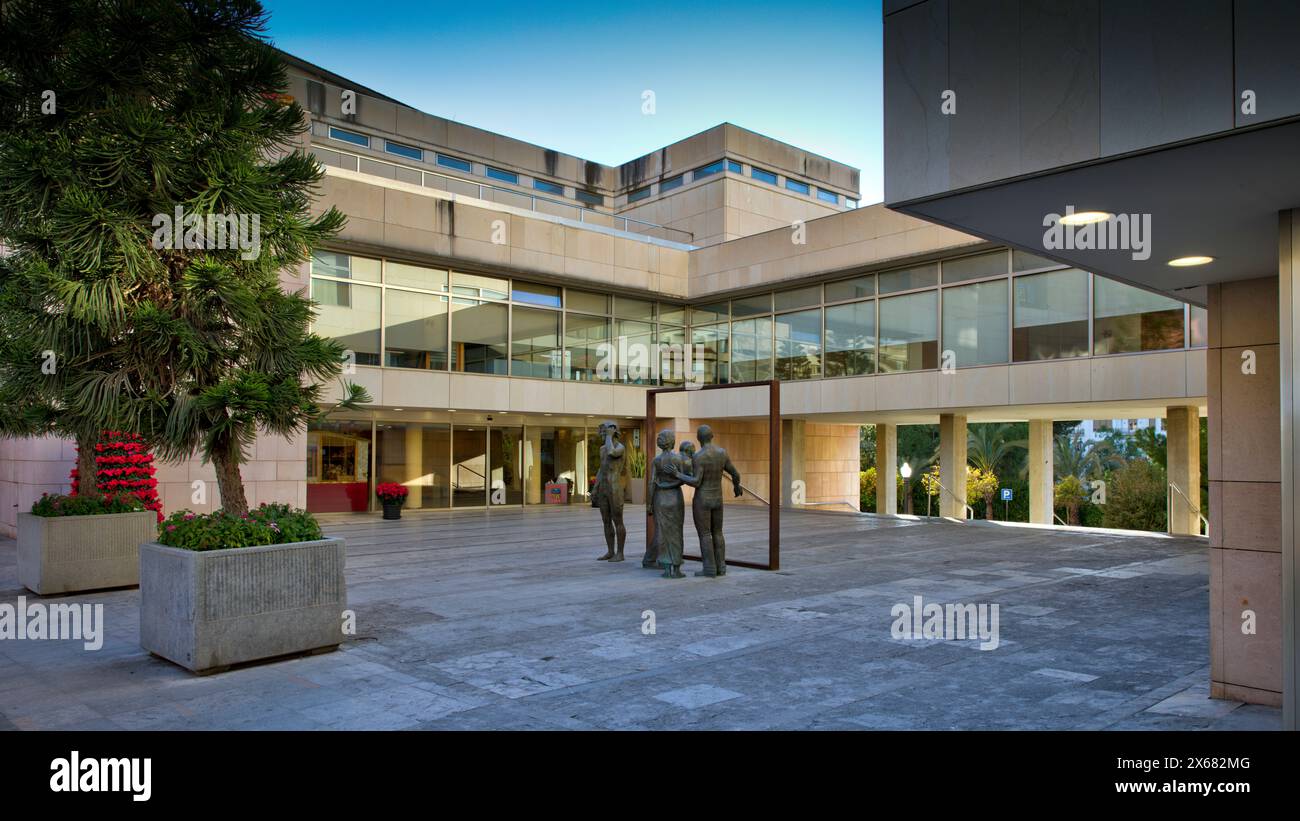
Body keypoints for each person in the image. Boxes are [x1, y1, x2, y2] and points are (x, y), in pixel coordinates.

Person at [687, 424, 741, 577]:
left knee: (705, 534)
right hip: (718, 498)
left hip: (702, 499)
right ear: (712, 436)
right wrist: (736, 487)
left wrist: (679, 475)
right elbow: (735, 474)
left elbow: (696, 481)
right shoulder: (722, 453)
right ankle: (721, 567)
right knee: (718, 532)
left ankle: (709, 568)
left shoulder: (698, 456)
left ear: (698, 438)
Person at [649, 429, 694, 579]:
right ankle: (676, 567)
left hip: (660, 499)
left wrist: (649, 504)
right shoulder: (678, 459)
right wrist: (670, 484)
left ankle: (666, 568)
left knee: (663, 533)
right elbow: (683, 479)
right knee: (676, 532)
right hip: (675, 498)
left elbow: (652, 483)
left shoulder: (656, 460)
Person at [593, 421, 628, 562]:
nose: (602, 435)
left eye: (604, 432)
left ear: (613, 432)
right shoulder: (602, 449)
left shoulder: (620, 447)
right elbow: (601, 469)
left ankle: (620, 553)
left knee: (617, 520)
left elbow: (612, 452)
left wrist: (609, 436)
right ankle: (610, 551)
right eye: (602, 433)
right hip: (604, 488)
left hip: (615, 487)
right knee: (606, 520)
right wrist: (595, 487)